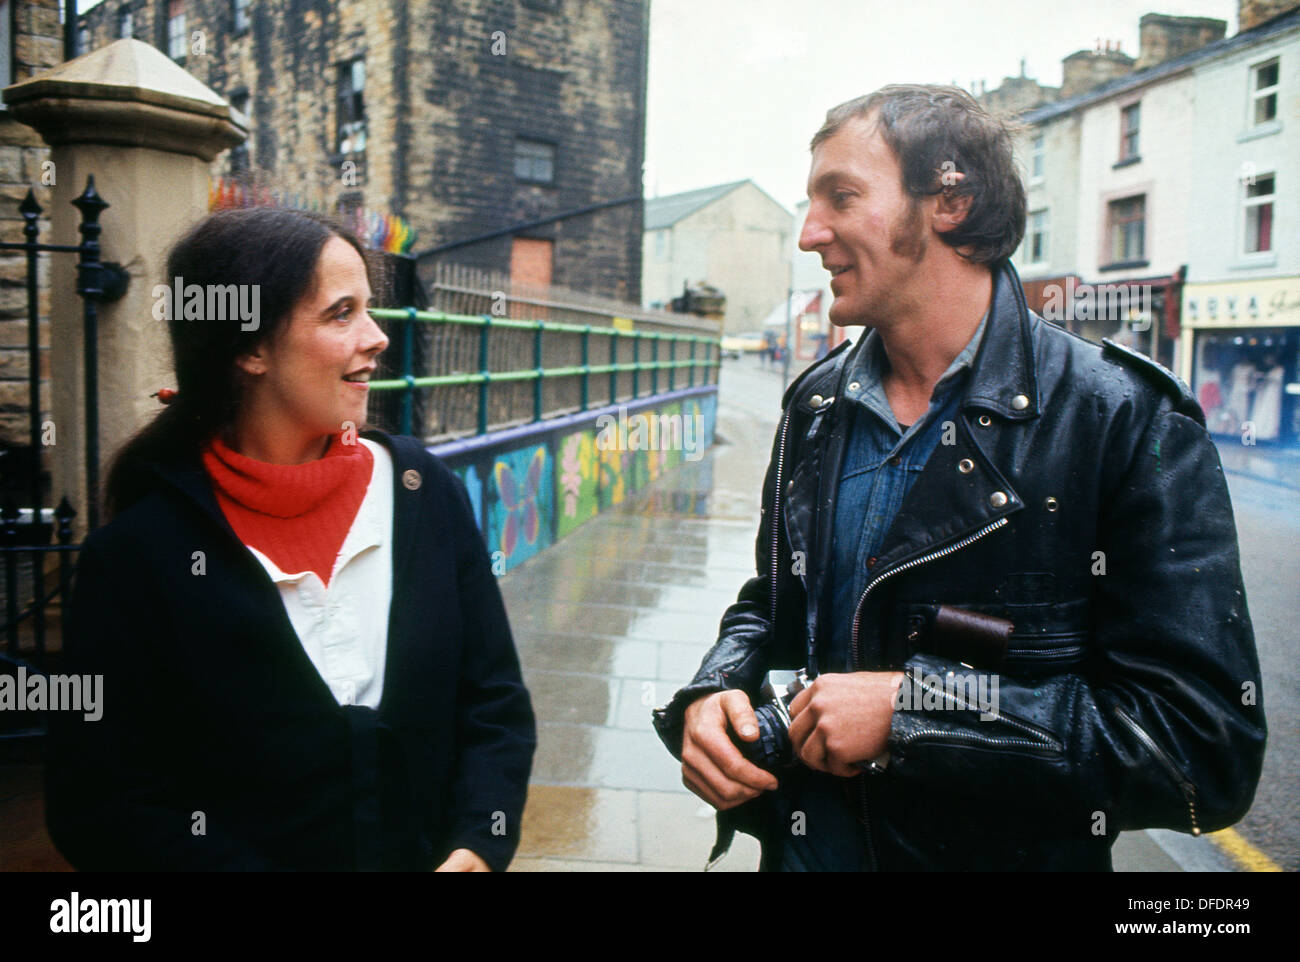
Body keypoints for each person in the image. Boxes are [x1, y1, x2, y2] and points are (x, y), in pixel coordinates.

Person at [653, 84, 1266, 870]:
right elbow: (774, 606)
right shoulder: (817, 402)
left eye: (841, 197)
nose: (809, 234)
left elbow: (1202, 750)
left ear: (950, 201)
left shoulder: (1120, 419)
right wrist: (715, 692)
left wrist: (917, 712)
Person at [46, 207, 536, 871]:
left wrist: (478, 843)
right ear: (250, 349)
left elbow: (494, 706)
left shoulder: (426, 493)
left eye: (369, 308)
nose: (378, 338)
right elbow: (101, 802)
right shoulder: (139, 554)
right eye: (341, 313)